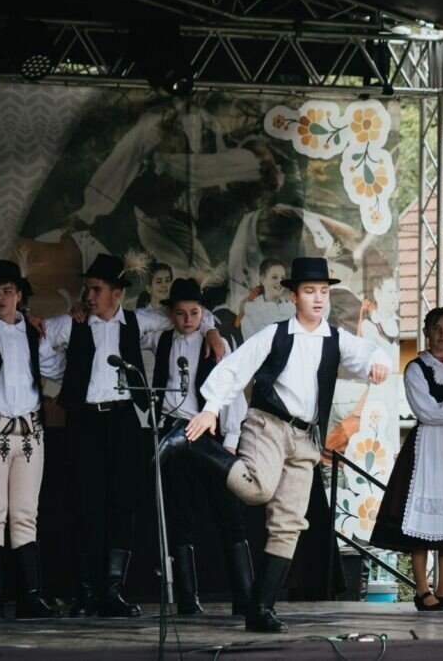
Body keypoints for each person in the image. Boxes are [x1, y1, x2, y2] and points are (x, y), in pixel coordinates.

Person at [158, 257, 392, 633]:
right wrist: (212, 410)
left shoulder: (335, 338)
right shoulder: (276, 334)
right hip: (268, 424)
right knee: (257, 488)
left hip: (304, 439)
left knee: (289, 524)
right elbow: (236, 367)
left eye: (323, 292)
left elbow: (367, 353)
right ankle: (192, 446)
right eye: (310, 291)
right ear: (294, 296)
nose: (318, 299)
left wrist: (379, 360)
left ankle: (260, 609)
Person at [41, 253, 224, 618]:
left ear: (116, 293)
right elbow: (39, 340)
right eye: (87, 290)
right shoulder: (71, 322)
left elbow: (192, 314)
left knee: (122, 504)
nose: (89, 297)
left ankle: (112, 590)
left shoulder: (138, 322)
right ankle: (86, 591)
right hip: (85, 422)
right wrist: (72, 376)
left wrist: (213, 331)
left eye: (96, 290)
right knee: (86, 505)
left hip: (124, 420)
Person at [149, 278, 252, 616]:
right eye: (180, 313)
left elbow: (233, 390)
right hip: (174, 431)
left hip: (209, 435)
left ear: (203, 313)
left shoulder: (217, 344)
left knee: (229, 514)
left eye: (195, 313)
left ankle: (245, 596)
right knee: (179, 515)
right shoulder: (162, 339)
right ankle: (188, 600)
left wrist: (232, 439)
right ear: (171, 314)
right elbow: (143, 319)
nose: (187, 319)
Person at [0, 260, 64, 619]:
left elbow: (56, 365)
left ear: (19, 296)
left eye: (7, 291)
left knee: (25, 513)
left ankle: (30, 596)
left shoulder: (32, 332)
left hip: (29, 433)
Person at [370, 308, 443, 612]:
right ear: (426, 332)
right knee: (421, 516)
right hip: (428, 443)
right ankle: (421, 589)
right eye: (437, 328)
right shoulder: (416, 368)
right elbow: (427, 411)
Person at [240, 258, 294, 340]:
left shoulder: (292, 309)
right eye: (274, 277)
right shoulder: (250, 315)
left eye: (282, 278)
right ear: (262, 279)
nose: (280, 282)